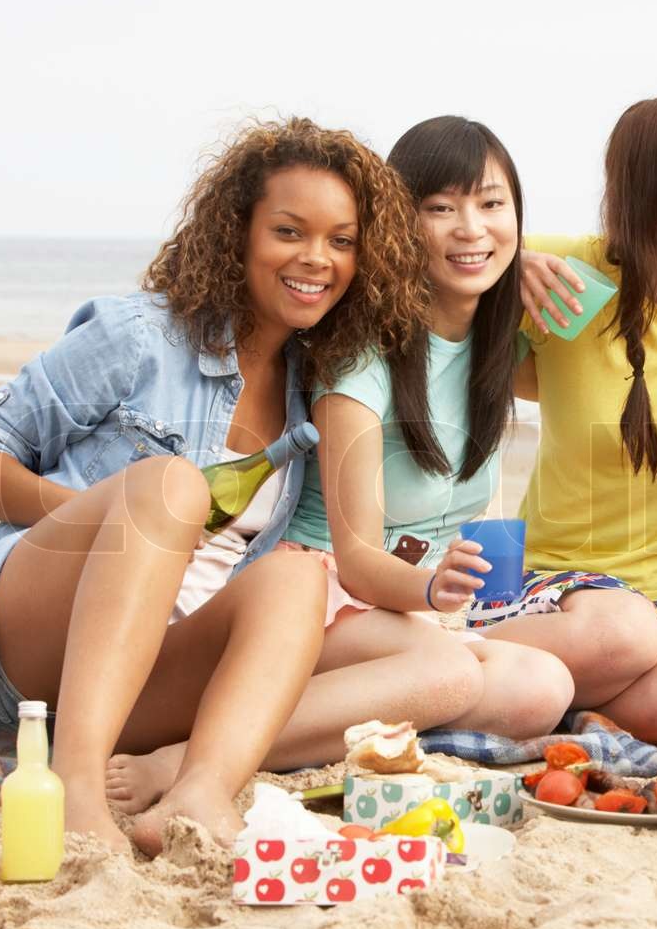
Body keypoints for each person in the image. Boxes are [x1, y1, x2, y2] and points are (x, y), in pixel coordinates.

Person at [0, 117, 429, 855]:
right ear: (238, 233)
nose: (316, 259)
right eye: (289, 231)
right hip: (34, 637)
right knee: (170, 485)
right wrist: (117, 525)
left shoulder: (309, 392)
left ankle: (198, 790)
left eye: (342, 241)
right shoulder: (141, 335)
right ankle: (74, 787)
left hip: (147, 668)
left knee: (296, 572)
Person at [103, 118, 576, 815]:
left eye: (491, 204)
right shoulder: (364, 355)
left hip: (405, 604)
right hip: (317, 588)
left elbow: (606, 283)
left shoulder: (496, 342)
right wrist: (431, 591)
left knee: (543, 687)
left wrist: (526, 256)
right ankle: (187, 758)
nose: (470, 227)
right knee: (447, 673)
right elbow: (354, 556)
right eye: (440, 208)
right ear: (396, 225)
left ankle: (298, 721)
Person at [462, 92, 657, 746]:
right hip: (564, 585)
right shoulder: (565, 273)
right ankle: (452, 666)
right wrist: (500, 263)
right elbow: (402, 266)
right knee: (624, 631)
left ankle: (551, 698)